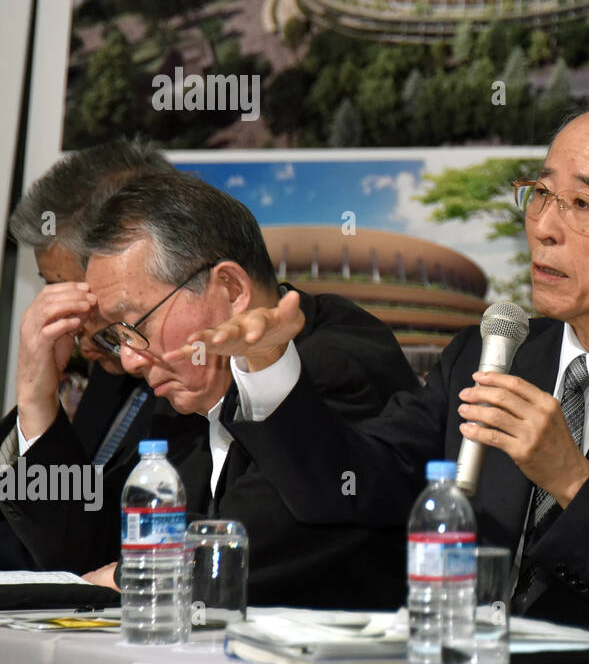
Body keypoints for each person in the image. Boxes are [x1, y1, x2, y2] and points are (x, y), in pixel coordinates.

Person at [196, 96, 589, 630]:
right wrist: (271, 366)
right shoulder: (491, 356)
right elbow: (347, 487)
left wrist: (573, 482)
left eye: (582, 205)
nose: (544, 226)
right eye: (541, 193)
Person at [3, 172, 420, 610]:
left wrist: (131, 570)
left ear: (231, 289)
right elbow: (83, 551)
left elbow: (254, 543)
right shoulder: (180, 390)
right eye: (116, 337)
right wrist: (36, 402)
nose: (129, 361)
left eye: (136, 325)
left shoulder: (337, 365)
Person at [0, 141, 174, 569]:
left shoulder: (191, 378)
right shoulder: (103, 375)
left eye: (68, 291)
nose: (65, 319)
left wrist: (39, 402)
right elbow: (22, 540)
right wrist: (35, 403)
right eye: (48, 287)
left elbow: (78, 550)